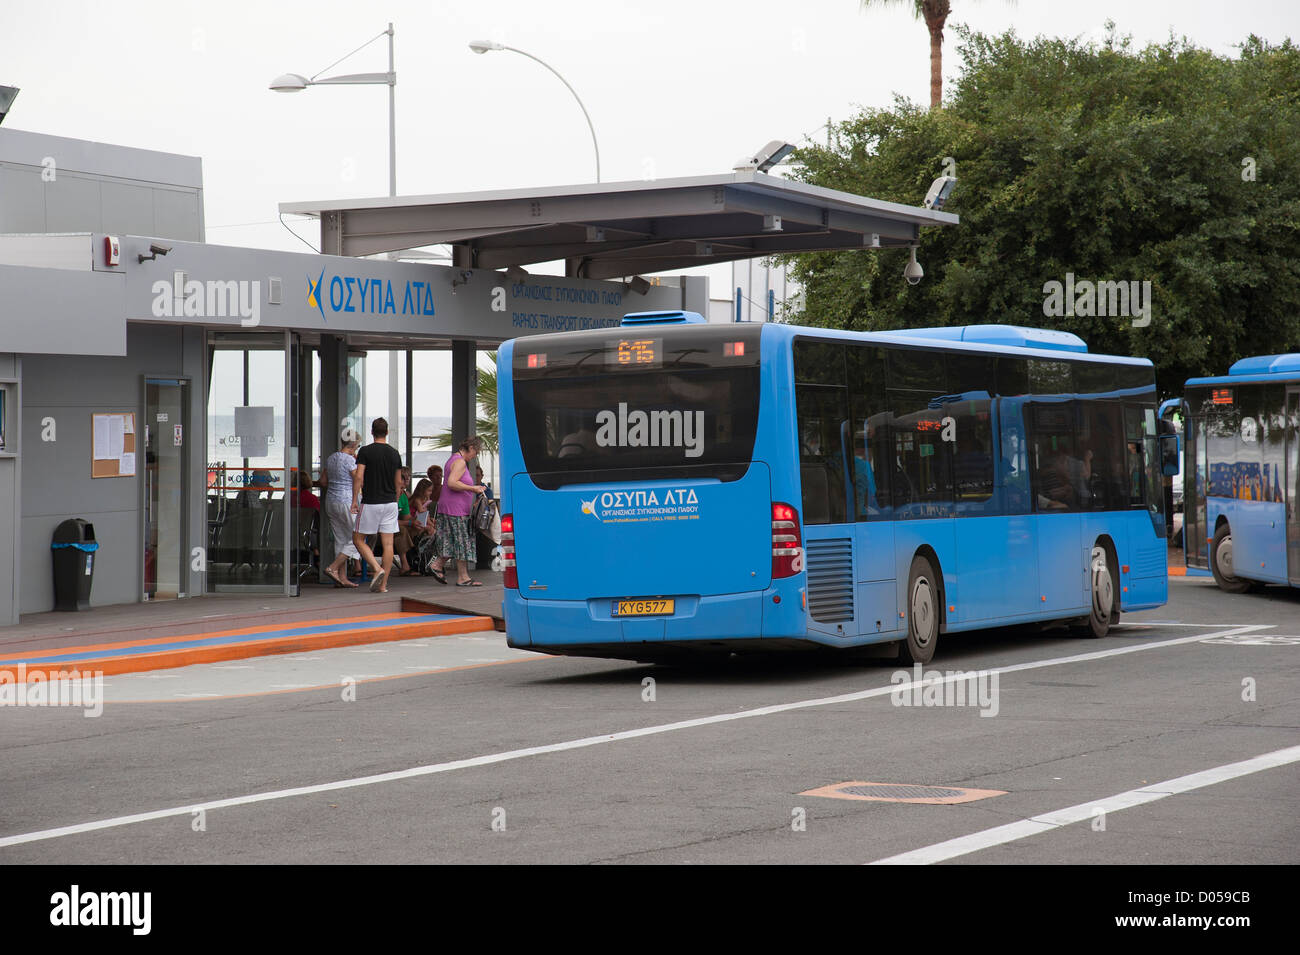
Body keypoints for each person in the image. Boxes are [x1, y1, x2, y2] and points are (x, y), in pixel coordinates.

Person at [351, 417, 403, 593]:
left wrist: (353, 500)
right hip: (390, 502)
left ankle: (376, 567)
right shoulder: (395, 453)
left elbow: (359, 476)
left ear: (372, 432)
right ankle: (383, 585)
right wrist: (395, 499)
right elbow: (398, 482)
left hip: (371, 502)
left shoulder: (365, 451)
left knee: (358, 539)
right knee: (388, 544)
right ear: (387, 432)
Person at [429, 436, 488, 587]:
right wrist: (473, 488)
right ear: (472, 448)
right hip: (455, 510)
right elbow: (452, 483)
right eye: (476, 452)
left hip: (450, 508)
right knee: (461, 541)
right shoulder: (461, 462)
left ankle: (440, 566)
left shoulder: (453, 459)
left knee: (453, 541)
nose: (475, 456)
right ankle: (461, 576)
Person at [320, 435, 361, 587]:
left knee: (340, 539)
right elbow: (358, 479)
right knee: (358, 536)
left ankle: (341, 578)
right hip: (347, 502)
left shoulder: (331, 458)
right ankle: (333, 567)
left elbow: (323, 481)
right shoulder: (350, 460)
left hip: (331, 501)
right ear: (354, 444)